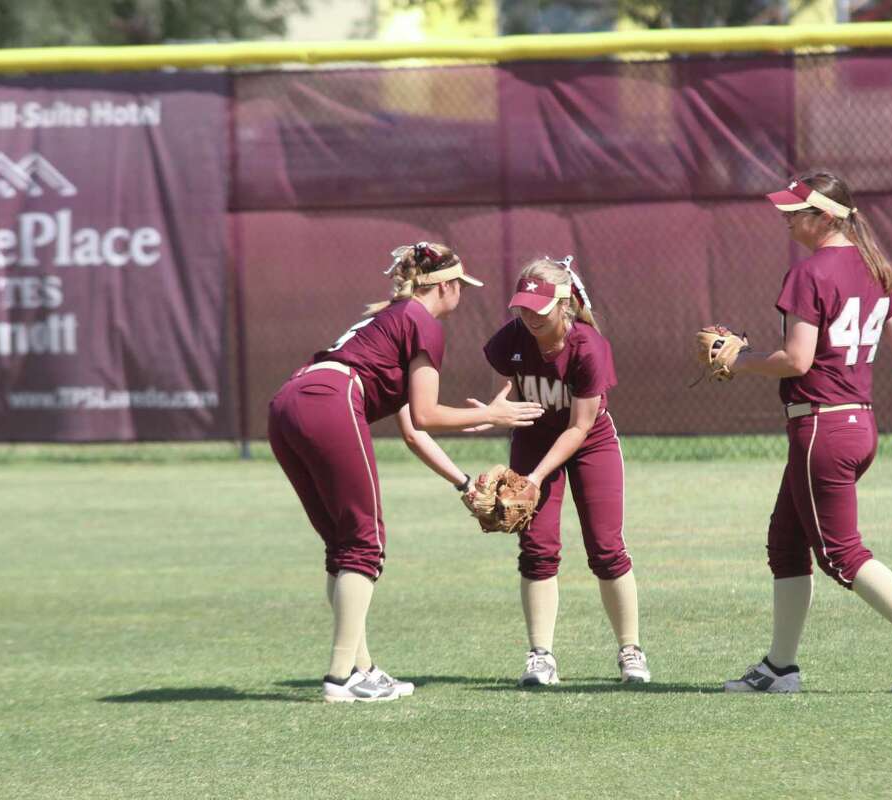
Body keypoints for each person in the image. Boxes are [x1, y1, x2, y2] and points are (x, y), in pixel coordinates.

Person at [719, 171, 892, 695]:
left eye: (796, 212)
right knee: (786, 543)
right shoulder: (876, 269)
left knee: (841, 554)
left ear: (826, 217)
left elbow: (796, 359)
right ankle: (780, 668)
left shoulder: (809, 274)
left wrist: (740, 359)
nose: (787, 219)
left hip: (823, 427)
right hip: (857, 423)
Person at [268, 242, 544, 703]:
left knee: (344, 545)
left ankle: (361, 669)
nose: (462, 294)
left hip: (290, 402)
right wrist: (495, 417)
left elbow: (415, 432)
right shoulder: (423, 322)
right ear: (448, 285)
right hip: (331, 399)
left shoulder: (394, 318)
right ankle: (340, 679)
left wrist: (463, 482)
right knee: (363, 543)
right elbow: (429, 412)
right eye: (461, 286)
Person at [479, 255, 649, 686]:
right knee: (537, 547)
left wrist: (534, 479)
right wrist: (494, 411)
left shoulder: (588, 346)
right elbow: (506, 391)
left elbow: (580, 426)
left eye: (539, 307)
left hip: (590, 443)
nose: (529, 315)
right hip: (533, 438)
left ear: (563, 304)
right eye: (523, 305)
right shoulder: (512, 337)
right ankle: (541, 655)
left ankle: (630, 650)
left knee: (606, 547)